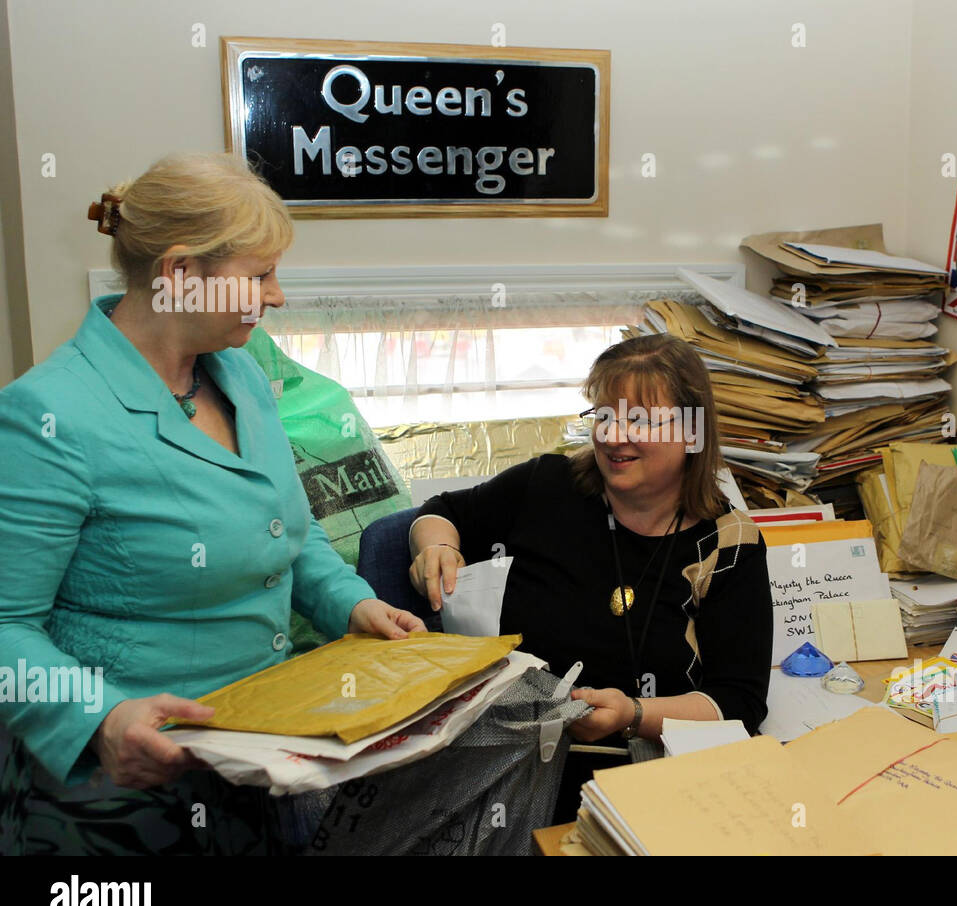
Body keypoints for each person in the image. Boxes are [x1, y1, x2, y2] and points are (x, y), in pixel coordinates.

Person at [0, 153, 427, 854]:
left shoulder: (242, 375)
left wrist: (350, 603)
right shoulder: (48, 415)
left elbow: (288, 531)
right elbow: (6, 625)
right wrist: (100, 719)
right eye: (259, 276)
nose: (278, 295)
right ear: (178, 274)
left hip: (252, 761)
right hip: (113, 802)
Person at [408, 334, 772, 818]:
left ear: (691, 432)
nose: (613, 436)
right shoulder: (548, 486)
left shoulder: (728, 543)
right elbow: (442, 511)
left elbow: (738, 703)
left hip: (641, 775)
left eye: (638, 420)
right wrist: (437, 546)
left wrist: (636, 715)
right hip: (502, 761)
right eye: (604, 415)